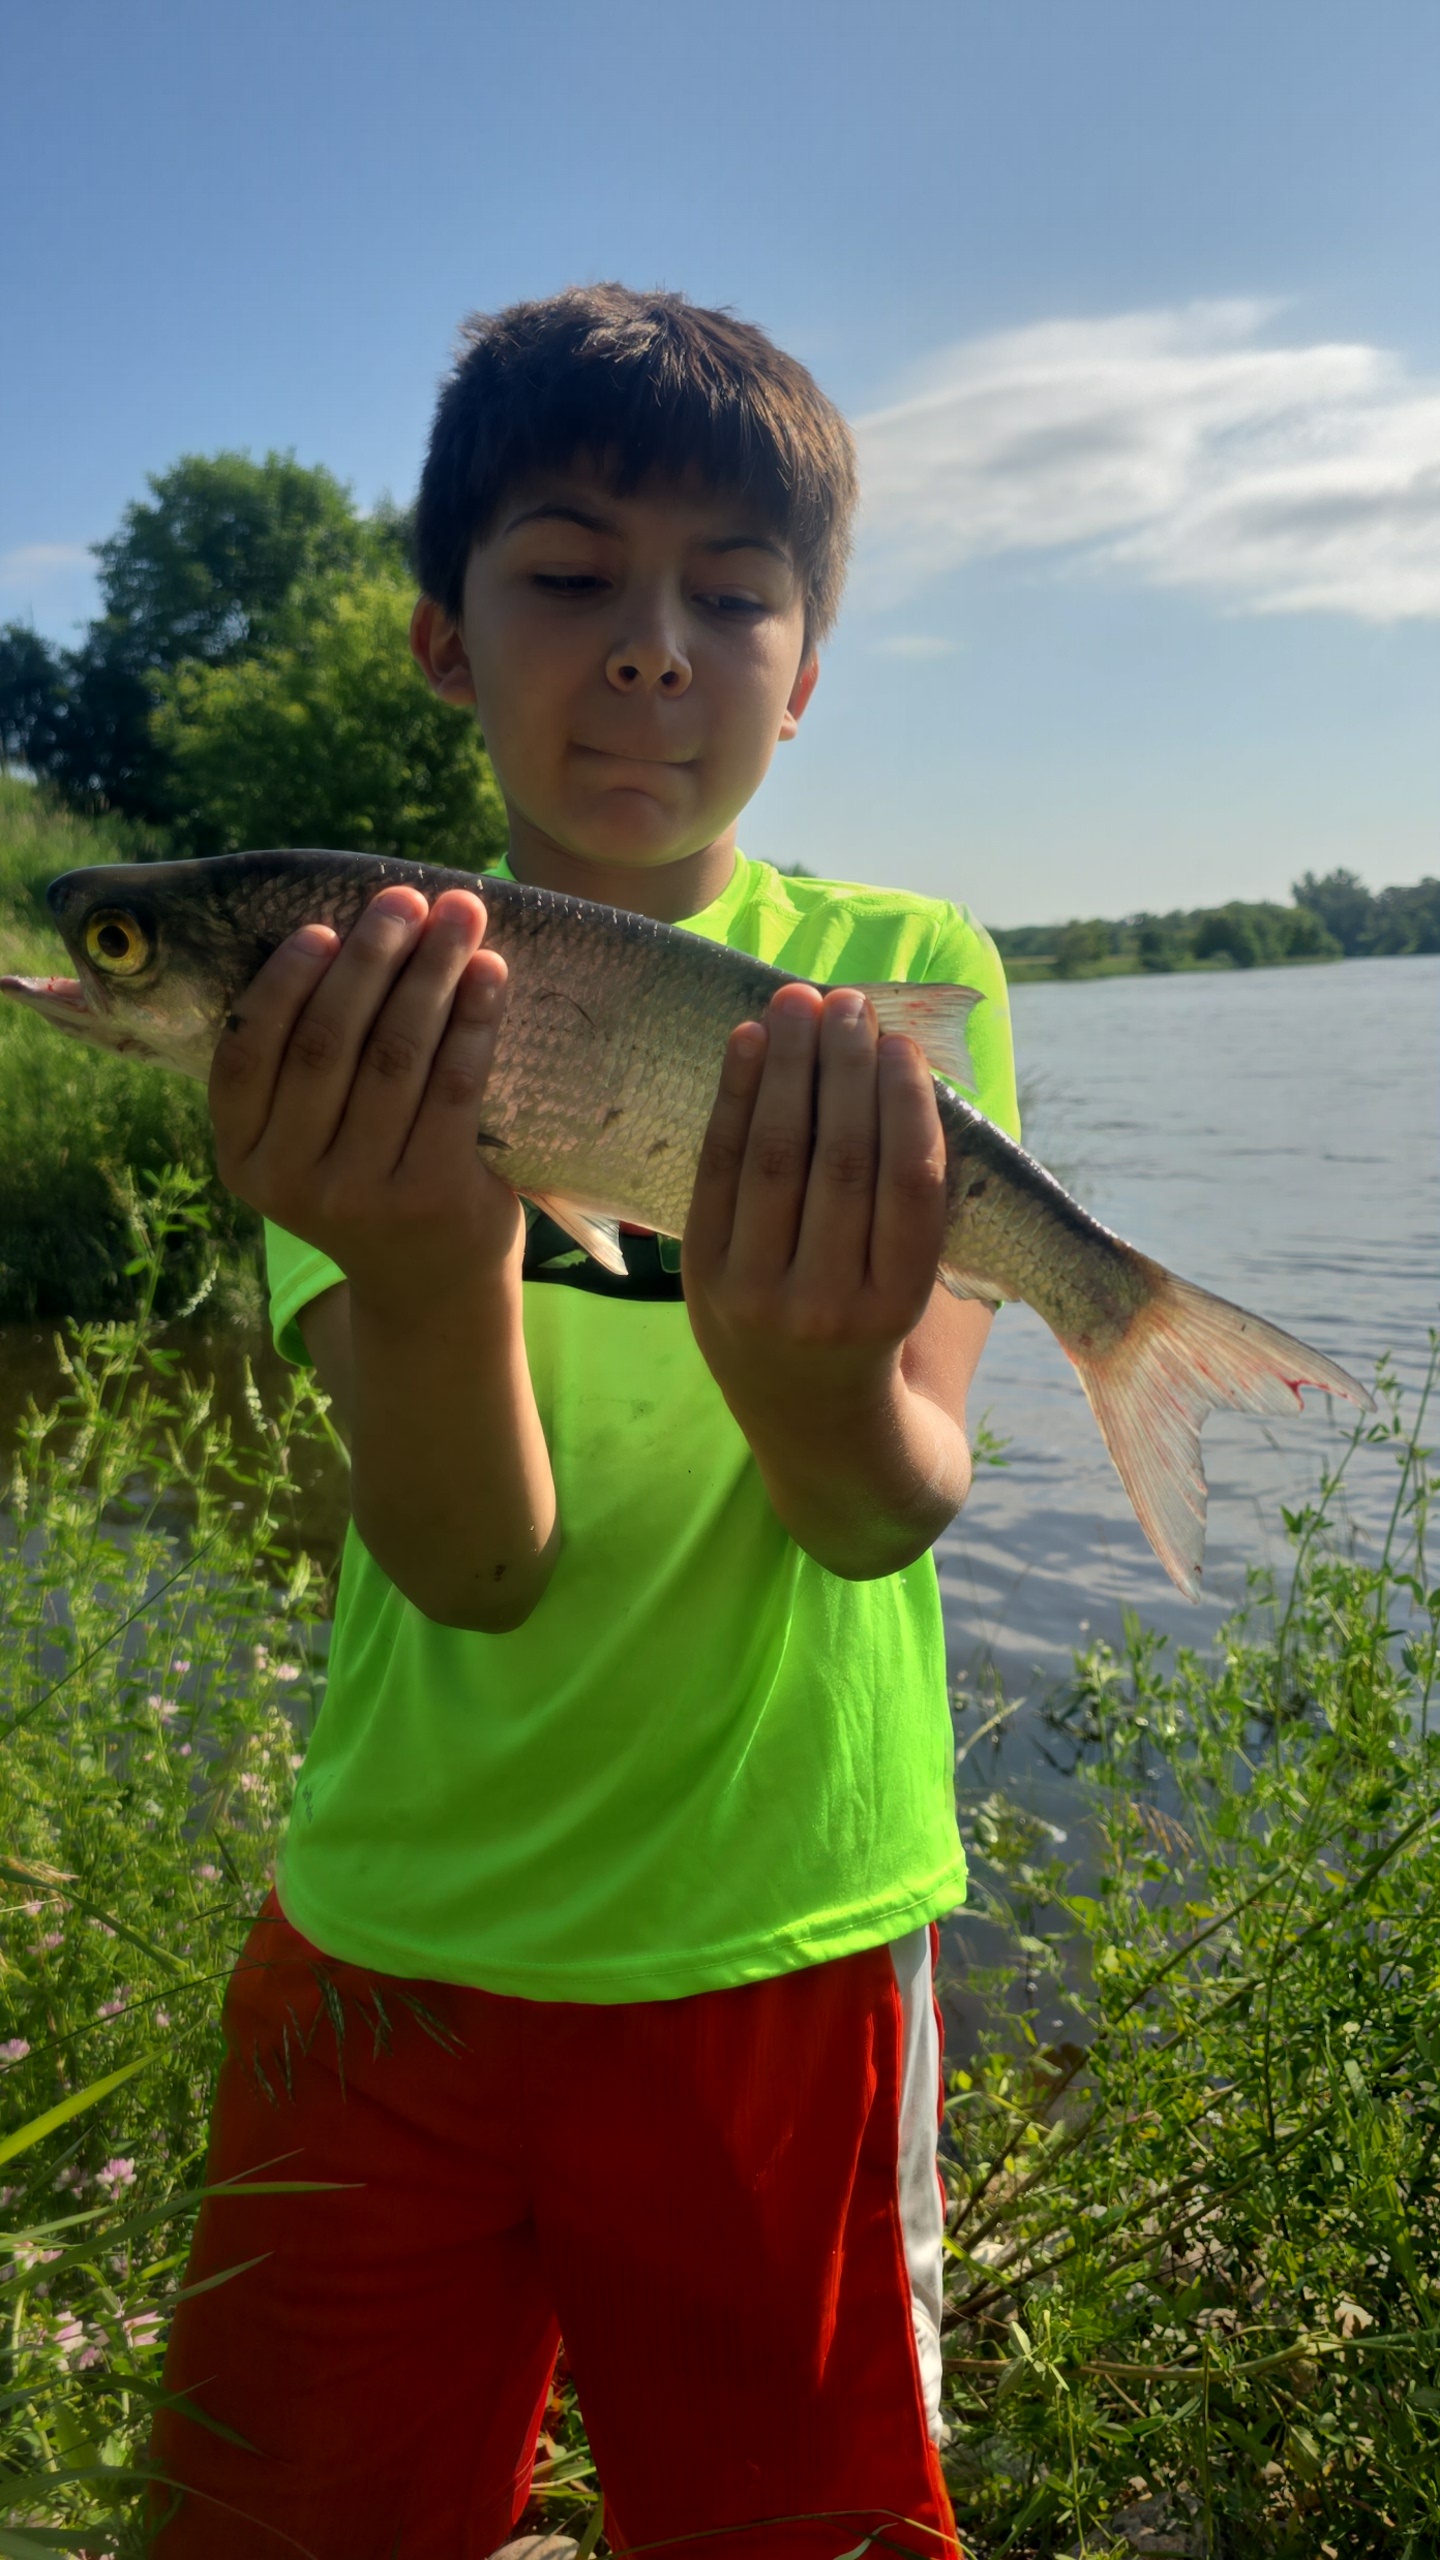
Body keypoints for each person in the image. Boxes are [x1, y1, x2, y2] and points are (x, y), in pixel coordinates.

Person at [150, 284, 1020, 2560]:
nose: (653, 647)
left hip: (786, 1943)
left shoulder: (902, 981)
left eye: (730, 595)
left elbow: (881, 1509)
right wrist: (431, 1260)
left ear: (805, 672)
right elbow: (478, 1562)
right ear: (445, 638)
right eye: (568, 577)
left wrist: (816, 1376)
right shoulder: (354, 993)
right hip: (388, 1944)